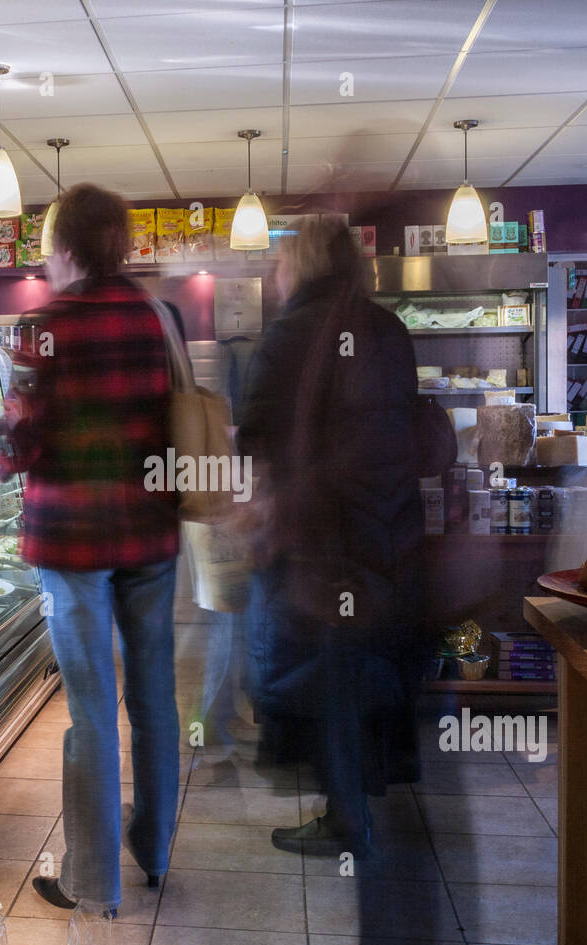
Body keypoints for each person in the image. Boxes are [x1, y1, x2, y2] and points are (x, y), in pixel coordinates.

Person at [0, 183, 180, 914]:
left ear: (65, 249)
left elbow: (20, 439)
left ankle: (93, 882)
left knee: (92, 710)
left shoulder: (42, 326)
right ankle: (154, 850)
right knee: (156, 697)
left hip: (70, 540)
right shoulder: (158, 318)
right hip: (152, 534)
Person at [239, 215, 425, 855]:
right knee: (360, 671)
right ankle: (357, 805)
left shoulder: (288, 335)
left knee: (319, 677)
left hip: (319, 540)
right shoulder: (389, 329)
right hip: (387, 534)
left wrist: (260, 513)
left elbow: (257, 441)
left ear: (302, 265)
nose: (274, 274)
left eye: (281, 262)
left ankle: (348, 820)